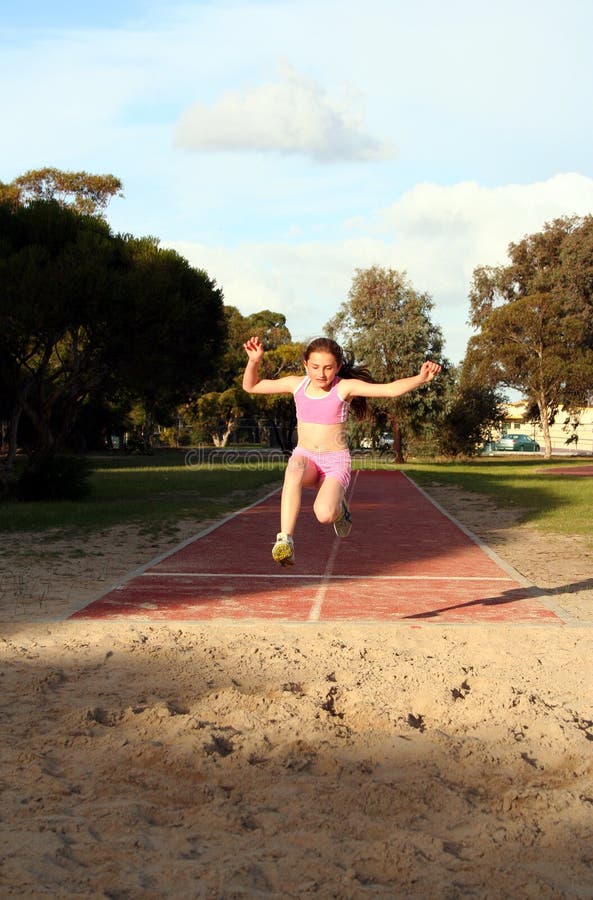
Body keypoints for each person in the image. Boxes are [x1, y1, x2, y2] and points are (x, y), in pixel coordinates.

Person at [242, 335, 441, 566]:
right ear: (305, 364)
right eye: (315, 367)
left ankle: (339, 510)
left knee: (324, 514)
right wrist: (254, 361)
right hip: (306, 458)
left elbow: (389, 390)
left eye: (328, 368)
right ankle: (285, 539)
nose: (321, 374)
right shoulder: (296, 384)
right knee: (294, 467)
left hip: (334, 462)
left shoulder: (344, 387)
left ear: (337, 367)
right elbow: (252, 386)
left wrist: (421, 378)